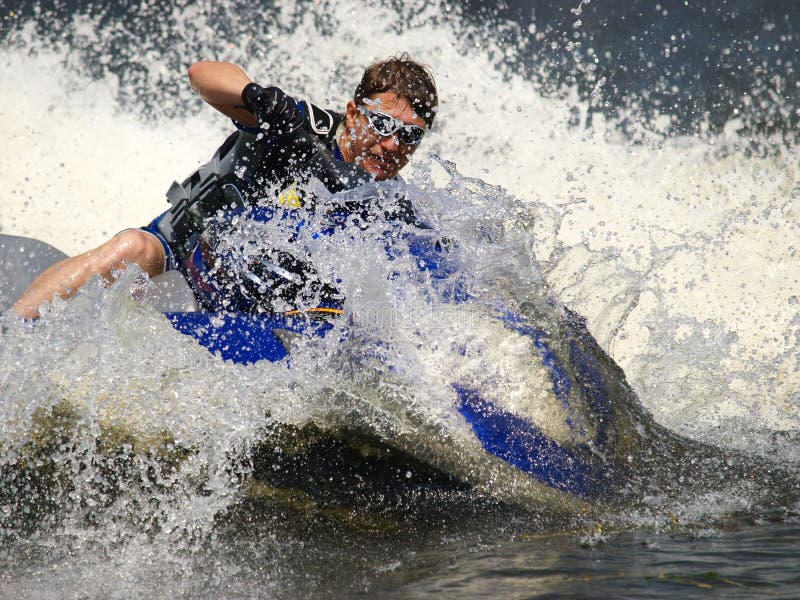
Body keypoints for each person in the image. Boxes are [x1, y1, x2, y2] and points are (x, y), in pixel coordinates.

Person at [13, 54, 438, 318]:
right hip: (181, 252)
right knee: (130, 246)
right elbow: (203, 74)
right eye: (382, 124)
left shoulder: (389, 201)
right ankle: (13, 330)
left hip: (251, 290)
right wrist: (257, 96)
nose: (390, 145)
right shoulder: (299, 124)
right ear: (354, 112)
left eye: (410, 136)